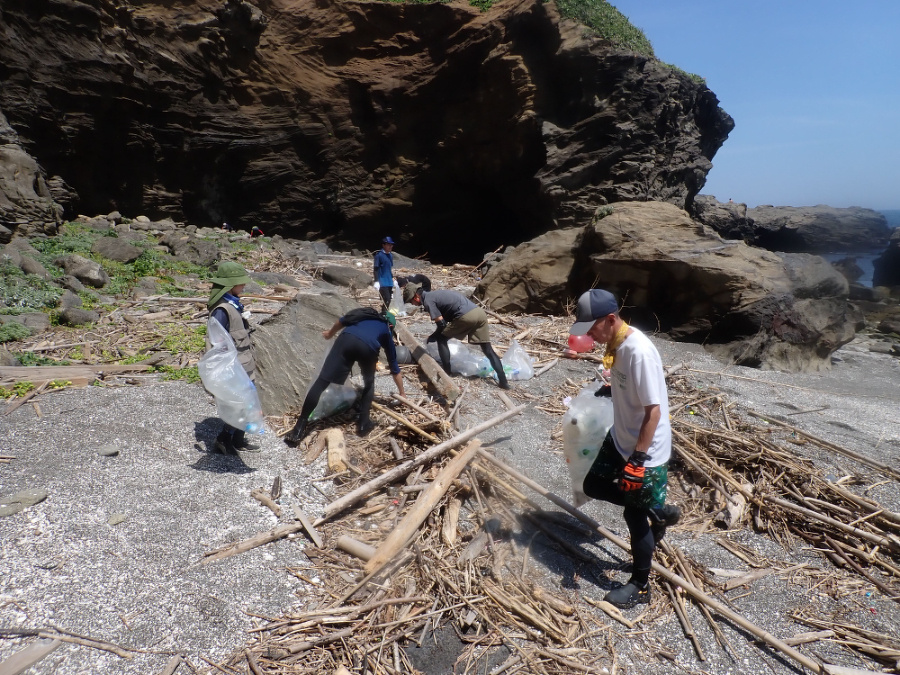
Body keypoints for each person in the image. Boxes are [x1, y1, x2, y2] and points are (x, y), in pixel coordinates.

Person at [567, 289, 680, 609]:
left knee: (634, 515)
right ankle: (656, 511)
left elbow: (653, 411)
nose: (588, 335)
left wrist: (638, 461)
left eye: (592, 328)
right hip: (620, 437)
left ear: (611, 319)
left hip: (645, 450)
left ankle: (640, 585)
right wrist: (608, 390)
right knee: (593, 485)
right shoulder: (616, 343)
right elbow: (625, 382)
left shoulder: (638, 351)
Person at [285, 308, 405, 443]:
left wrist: (330, 334)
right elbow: (395, 368)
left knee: (322, 381)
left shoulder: (363, 316)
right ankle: (364, 424)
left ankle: (299, 428)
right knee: (369, 383)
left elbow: (340, 321)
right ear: (390, 325)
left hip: (345, 339)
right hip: (368, 348)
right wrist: (402, 393)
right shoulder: (386, 330)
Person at [403, 283, 509, 390]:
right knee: (487, 349)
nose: (413, 304)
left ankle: (447, 372)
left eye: (411, 301)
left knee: (441, 340)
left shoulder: (428, 301)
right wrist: (434, 335)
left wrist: (434, 337)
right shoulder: (436, 294)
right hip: (479, 313)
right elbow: (443, 325)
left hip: (466, 316)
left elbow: (441, 325)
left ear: (416, 296)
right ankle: (504, 382)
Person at [207, 261, 259, 454]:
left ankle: (238, 439)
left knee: (248, 401)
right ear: (229, 285)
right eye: (240, 283)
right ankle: (223, 439)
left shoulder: (233, 304)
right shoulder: (222, 310)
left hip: (244, 363)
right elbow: (218, 341)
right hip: (234, 366)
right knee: (237, 404)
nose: (243, 286)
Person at [373, 237, 395, 310]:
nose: (390, 246)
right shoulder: (379, 255)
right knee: (387, 299)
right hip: (382, 281)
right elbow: (375, 269)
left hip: (389, 281)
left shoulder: (390, 255)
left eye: (391, 245)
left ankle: (384, 314)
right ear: (383, 245)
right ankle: (383, 314)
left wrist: (392, 278)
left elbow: (389, 268)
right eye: (388, 245)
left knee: (389, 300)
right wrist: (376, 281)